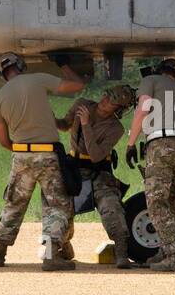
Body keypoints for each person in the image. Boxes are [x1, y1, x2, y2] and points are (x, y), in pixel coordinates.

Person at [0, 53, 85, 271]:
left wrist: (24, 151)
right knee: (56, 205)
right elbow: (77, 85)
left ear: (2, 75)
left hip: (21, 156)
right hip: (48, 154)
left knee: (14, 204)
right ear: (21, 66)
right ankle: (51, 256)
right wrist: (64, 64)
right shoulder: (38, 79)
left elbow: (4, 141)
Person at [58, 84, 136, 268]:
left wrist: (85, 124)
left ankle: (121, 252)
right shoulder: (82, 105)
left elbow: (96, 155)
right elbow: (64, 125)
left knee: (111, 206)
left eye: (111, 101)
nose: (104, 101)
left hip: (98, 171)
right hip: (73, 167)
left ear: (118, 109)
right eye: (106, 95)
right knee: (60, 205)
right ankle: (62, 245)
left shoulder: (115, 128)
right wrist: (48, 118)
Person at [126, 58, 175, 271]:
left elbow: (142, 110)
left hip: (161, 144)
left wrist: (131, 142)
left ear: (159, 71)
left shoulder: (151, 80)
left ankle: (174, 254)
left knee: (155, 201)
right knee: (172, 200)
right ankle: (166, 250)